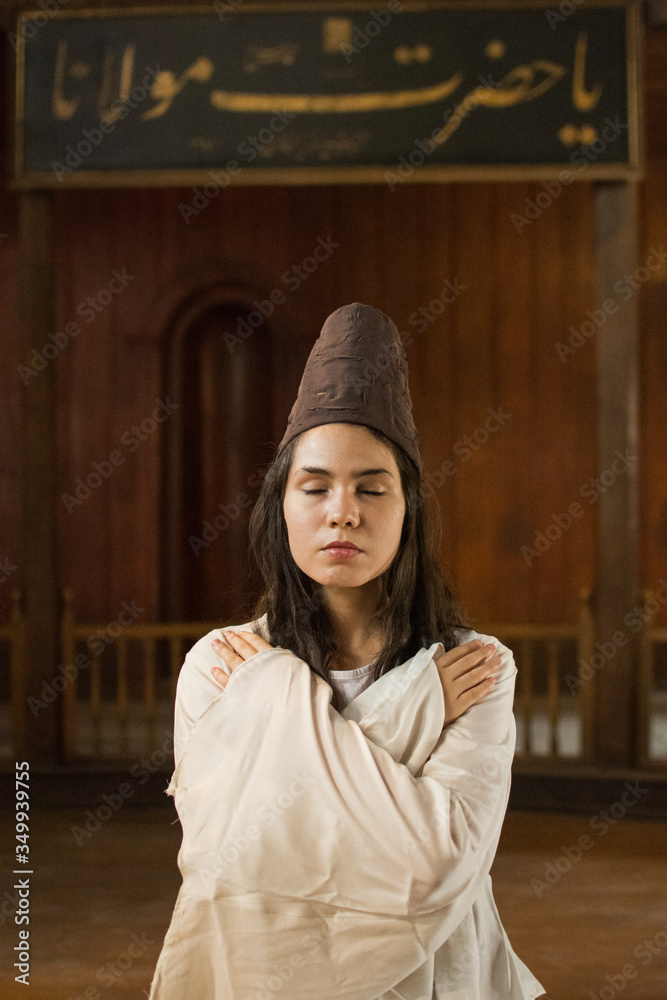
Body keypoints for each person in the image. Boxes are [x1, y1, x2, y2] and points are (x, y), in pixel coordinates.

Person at [149, 303, 548, 999]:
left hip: (433, 975)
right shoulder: (225, 665)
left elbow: (437, 867)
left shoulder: (475, 666)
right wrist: (415, 712)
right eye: (315, 487)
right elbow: (228, 860)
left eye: (372, 488)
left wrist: (279, 735)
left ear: (407, 509)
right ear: (282, 505)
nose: (342, 511)